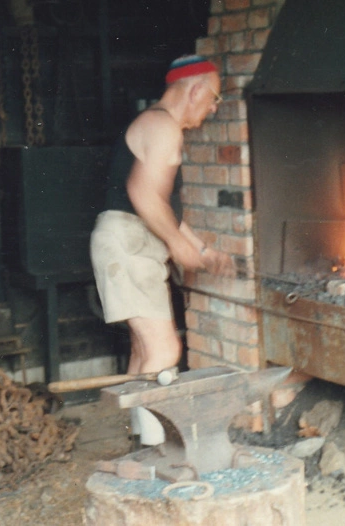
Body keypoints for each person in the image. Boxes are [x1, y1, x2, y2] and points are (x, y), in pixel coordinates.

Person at [90, 55, 234, 444]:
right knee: (165, 348)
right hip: (128, 244)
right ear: (197, 89)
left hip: (131, 243)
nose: (215, 107)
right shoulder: (163, 126)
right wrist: (177, 246)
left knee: (144, 352)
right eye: (215, 97)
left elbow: (164, 208)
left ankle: (140, 441)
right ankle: (153, 451)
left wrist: (201, 250)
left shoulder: (159, 125)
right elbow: (142, 195)